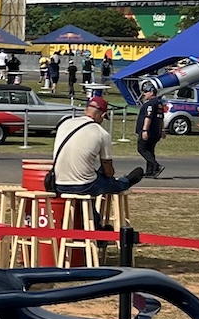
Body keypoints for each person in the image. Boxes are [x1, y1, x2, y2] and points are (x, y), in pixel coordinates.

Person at [50, 95, 145, 227]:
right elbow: (107, 168)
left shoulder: (65, 124)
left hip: (58, 183)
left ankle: (96, 225)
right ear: (103, 115)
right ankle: (126, 181)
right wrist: (109, 176)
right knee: (112, 184)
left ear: (85, 110)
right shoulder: (101, 133)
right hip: (84, 185)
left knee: (93, 185)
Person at [135, 84, 166, 178]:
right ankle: (150, 171)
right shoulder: (159, 103)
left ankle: (156, 166)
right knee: (150, 150)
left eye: (146, 92)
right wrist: (162, 130)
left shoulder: (150, 104)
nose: (144, 94)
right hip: (156, 132)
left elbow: (148, 117)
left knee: (141, 148)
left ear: (151, 92)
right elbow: (161, 118)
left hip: (149, 131)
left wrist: (145, 130)